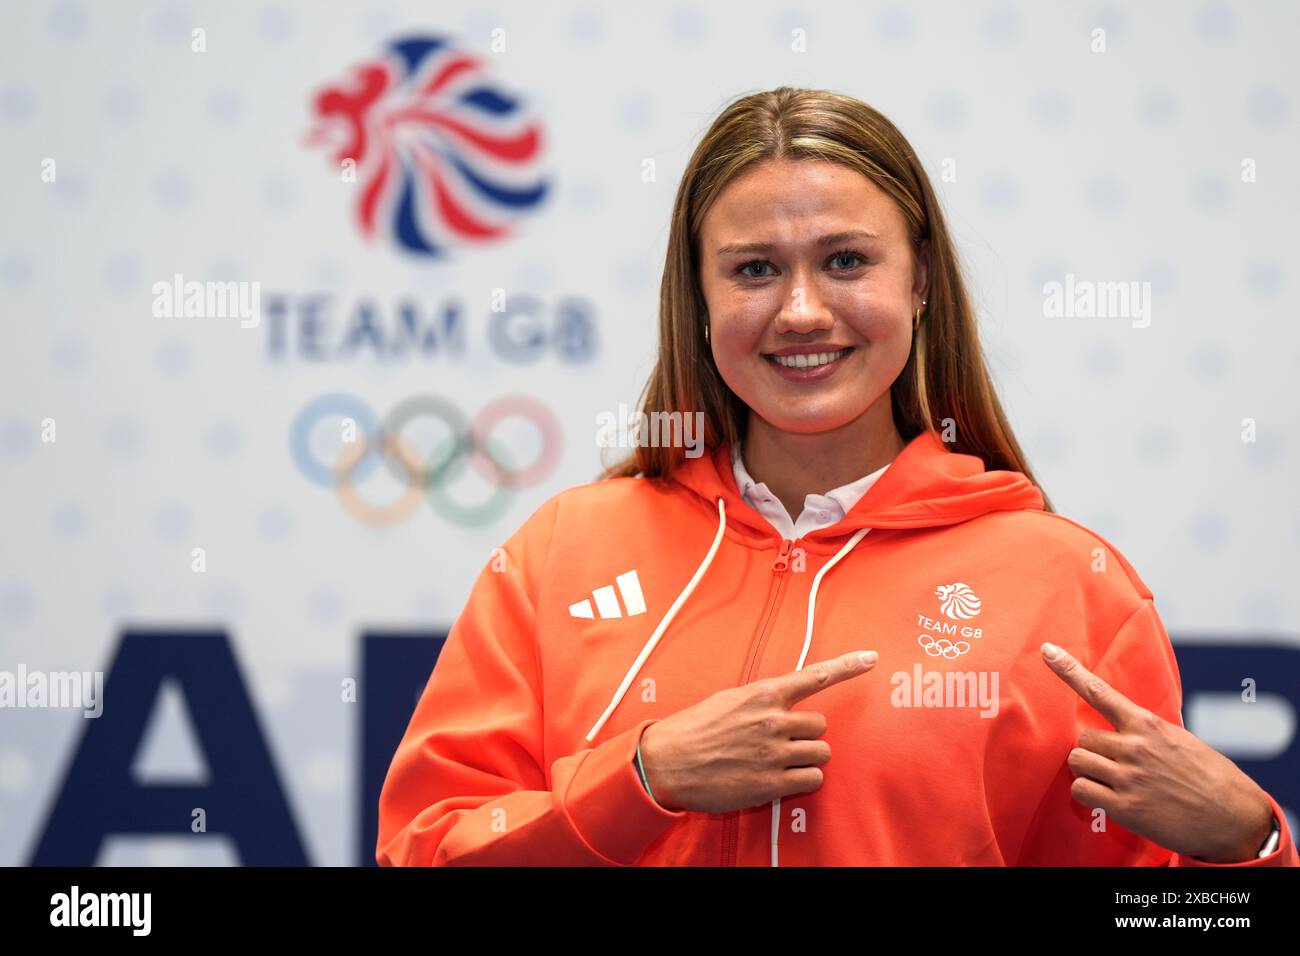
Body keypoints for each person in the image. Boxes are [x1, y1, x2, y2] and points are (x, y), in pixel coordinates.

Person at [375, 86, 1295, 867]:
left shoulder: (1069, 586)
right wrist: (644, 778)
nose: (803, 311)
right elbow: (424, 845)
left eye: (846, 260)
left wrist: (1252, 850)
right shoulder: (561, 554)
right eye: (755, 270)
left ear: (922, 279)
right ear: (697, 300)